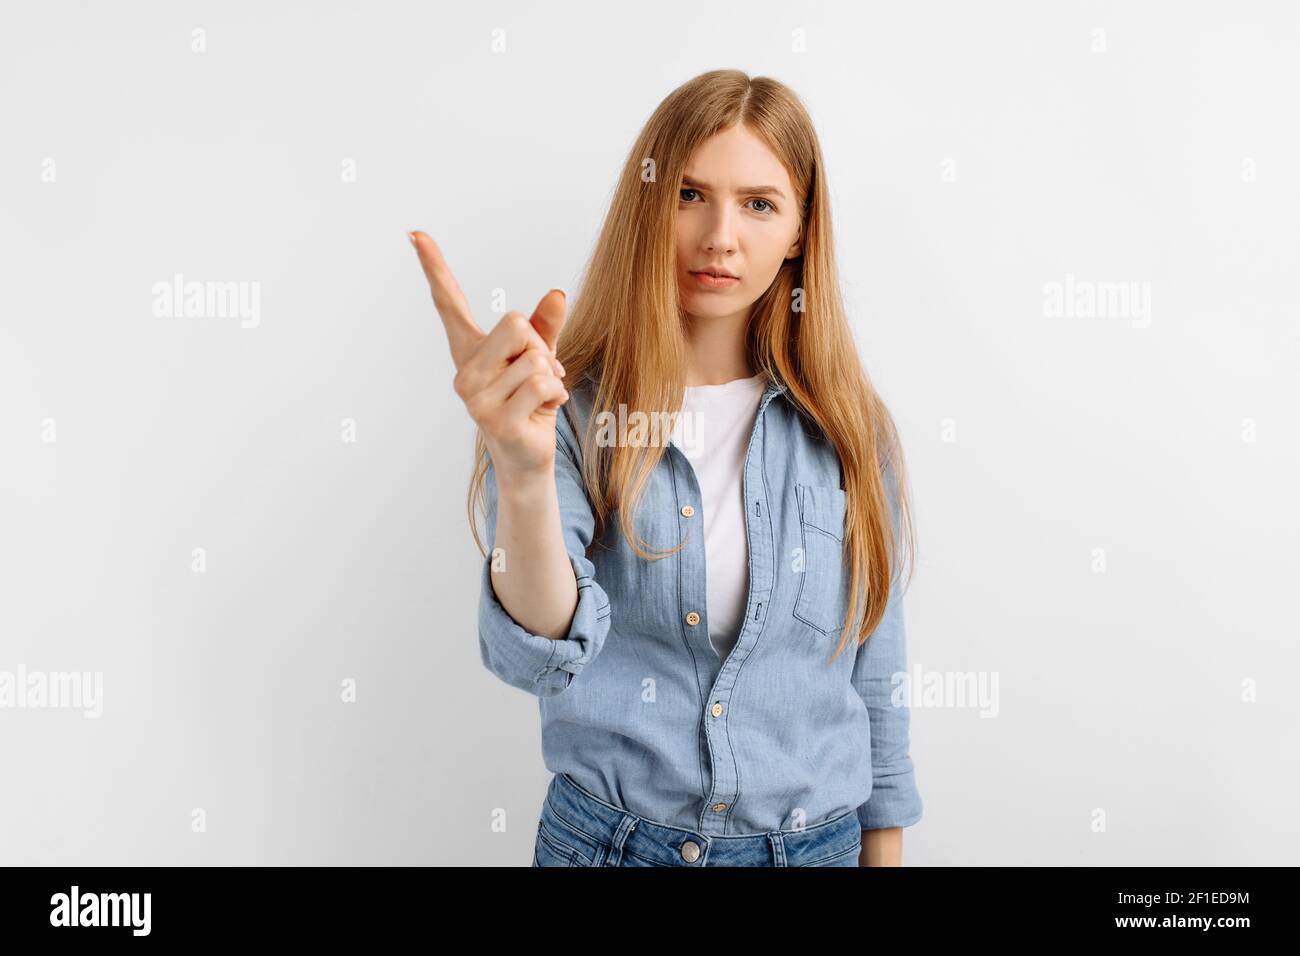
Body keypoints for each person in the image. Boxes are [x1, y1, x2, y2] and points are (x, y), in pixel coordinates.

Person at [410, 68, 921, 867]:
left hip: (816, 847)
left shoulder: (851, 429)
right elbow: (536, 651)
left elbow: (874, 674)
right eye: (689, 194)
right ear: (647, 207)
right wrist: (521, 467)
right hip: (609, 847)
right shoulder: (567, 411)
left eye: (759, 203)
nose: (720, 234)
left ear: (798, 231)